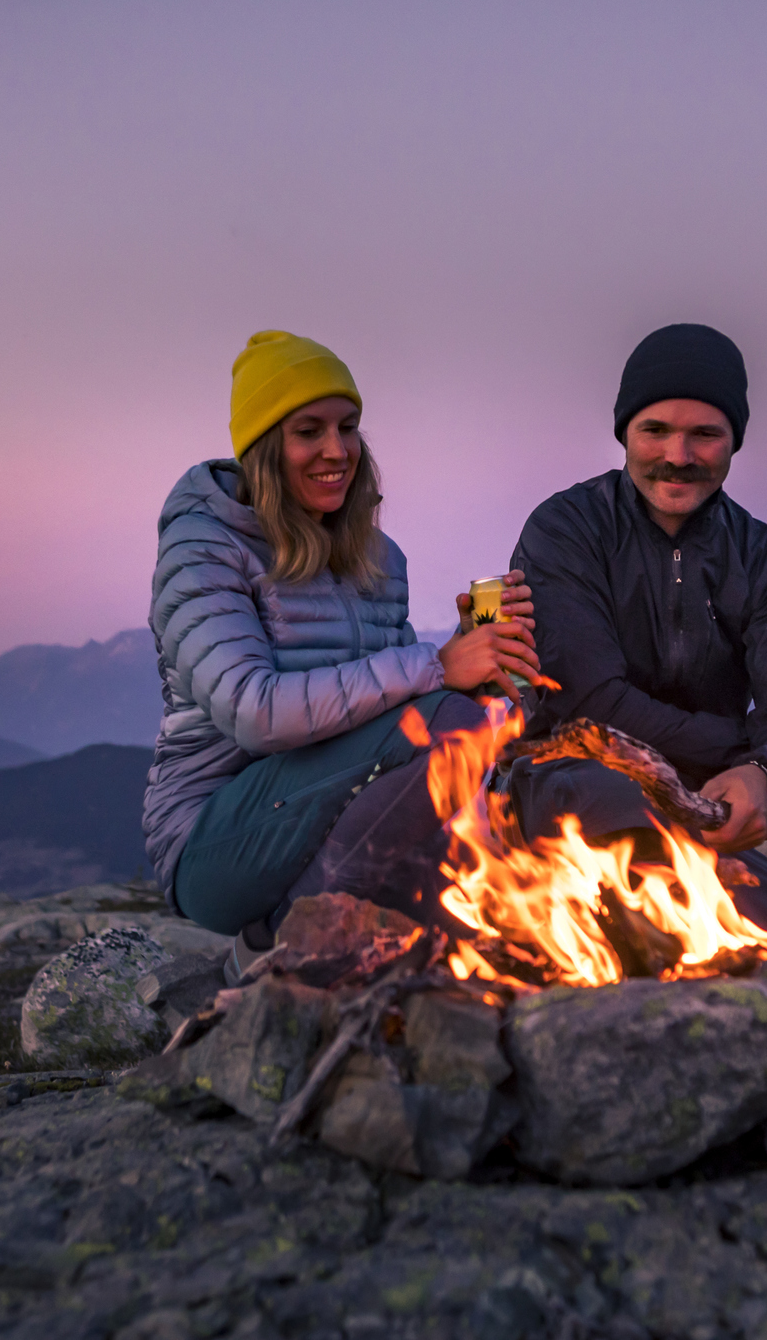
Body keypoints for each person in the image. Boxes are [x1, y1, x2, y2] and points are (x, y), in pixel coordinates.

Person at [144, 330, 539, 951]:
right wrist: (437, 666)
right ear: (263, 448)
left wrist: (474, 655)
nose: (337, 450)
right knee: (447, 722)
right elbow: (254, 712)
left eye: (348, 427)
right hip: (215, 843)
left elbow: (392, 719)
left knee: (492, 929)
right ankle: (286, 946)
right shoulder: (203, 549)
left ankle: (342, 934)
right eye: (309, 431)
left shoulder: (378, 559)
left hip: (331, 820)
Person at [507, 322, 767, 930]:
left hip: (694, 813)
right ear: (625, 434)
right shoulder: (565, 531)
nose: (678, 457)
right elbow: (590, 705)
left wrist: (766, 776)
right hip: (565, 786)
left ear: (734, 442)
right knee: (617, 816)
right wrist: (742, 752)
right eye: (655, 430)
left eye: (704, 434)